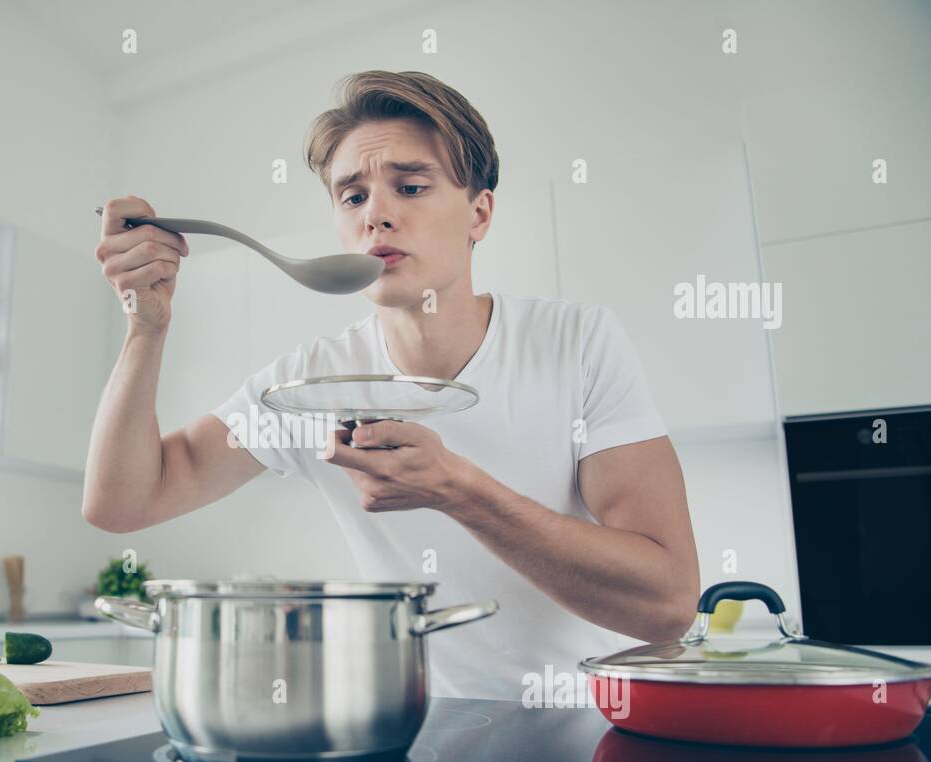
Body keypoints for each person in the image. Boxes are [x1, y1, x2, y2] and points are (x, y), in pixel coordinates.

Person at [86, 70, 699, 699]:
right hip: (418, 734)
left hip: (587, 731)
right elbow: (124, 502)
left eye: (409, 187)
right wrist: (146, 327)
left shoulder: (578, 344)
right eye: (352, 198)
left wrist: (455, 488)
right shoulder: (309, 386)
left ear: (478, 213)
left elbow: (668, 604)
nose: (376, 213)